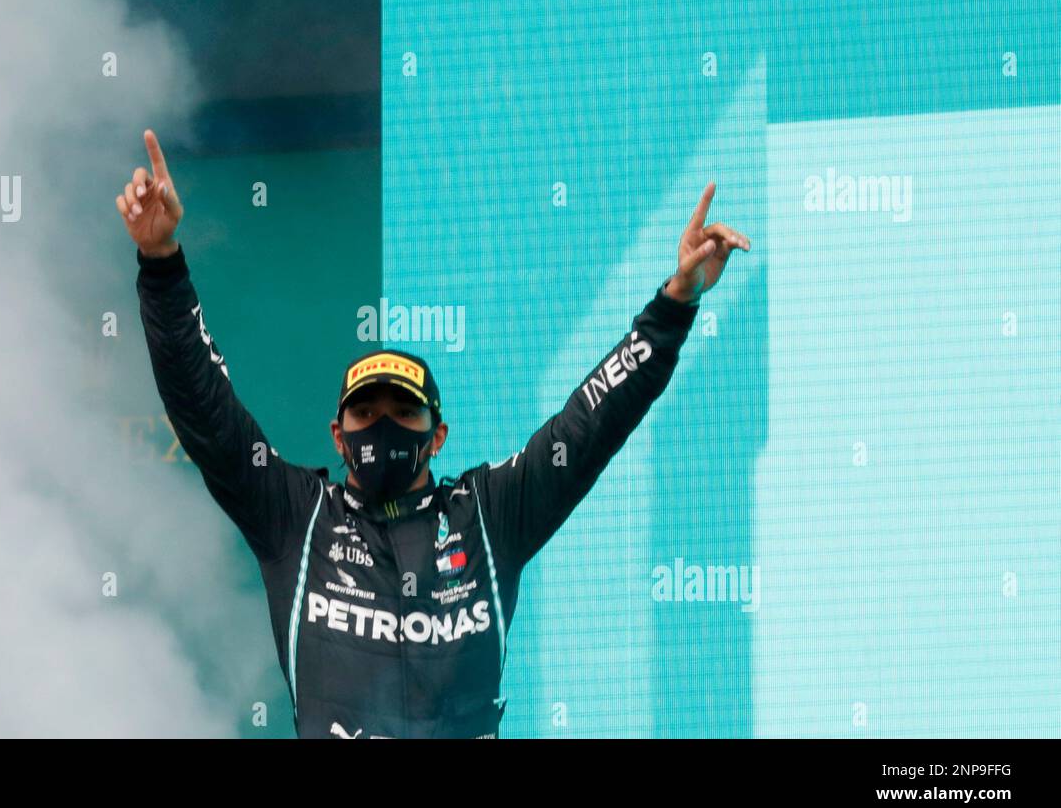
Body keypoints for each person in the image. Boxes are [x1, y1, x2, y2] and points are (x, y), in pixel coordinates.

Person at [116, 129, 750, 738]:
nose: (383, 424)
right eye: (365, 414)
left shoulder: (489, 514)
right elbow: (203, 407)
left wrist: (676, 302)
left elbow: (591, 422)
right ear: (338, 436)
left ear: (437, 435)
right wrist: (161, 261)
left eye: (403, 412)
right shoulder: (294, 516)